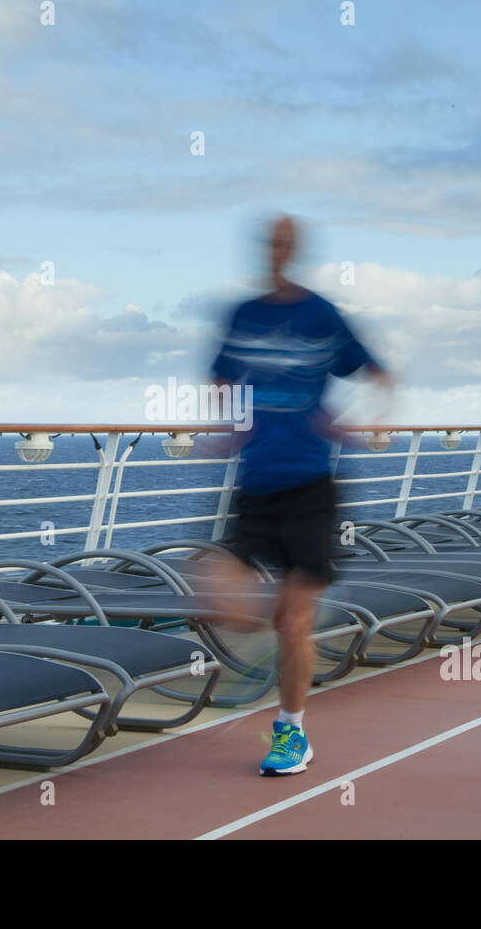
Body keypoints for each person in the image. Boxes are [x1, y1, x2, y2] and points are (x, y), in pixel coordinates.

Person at [207, 214, 392, 776]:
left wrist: (360, 426)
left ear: (296, 250)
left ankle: (291, 734)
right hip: (255, 485)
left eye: (286, 242)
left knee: (295, 623)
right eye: (270, 242)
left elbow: (379, 374)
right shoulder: (243, 315)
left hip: (312, 486)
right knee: (227, 609)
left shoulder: (321, 314)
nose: (276, 250)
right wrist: (231, 425)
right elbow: (219, 378)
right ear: (264, 249)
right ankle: (279, 636)